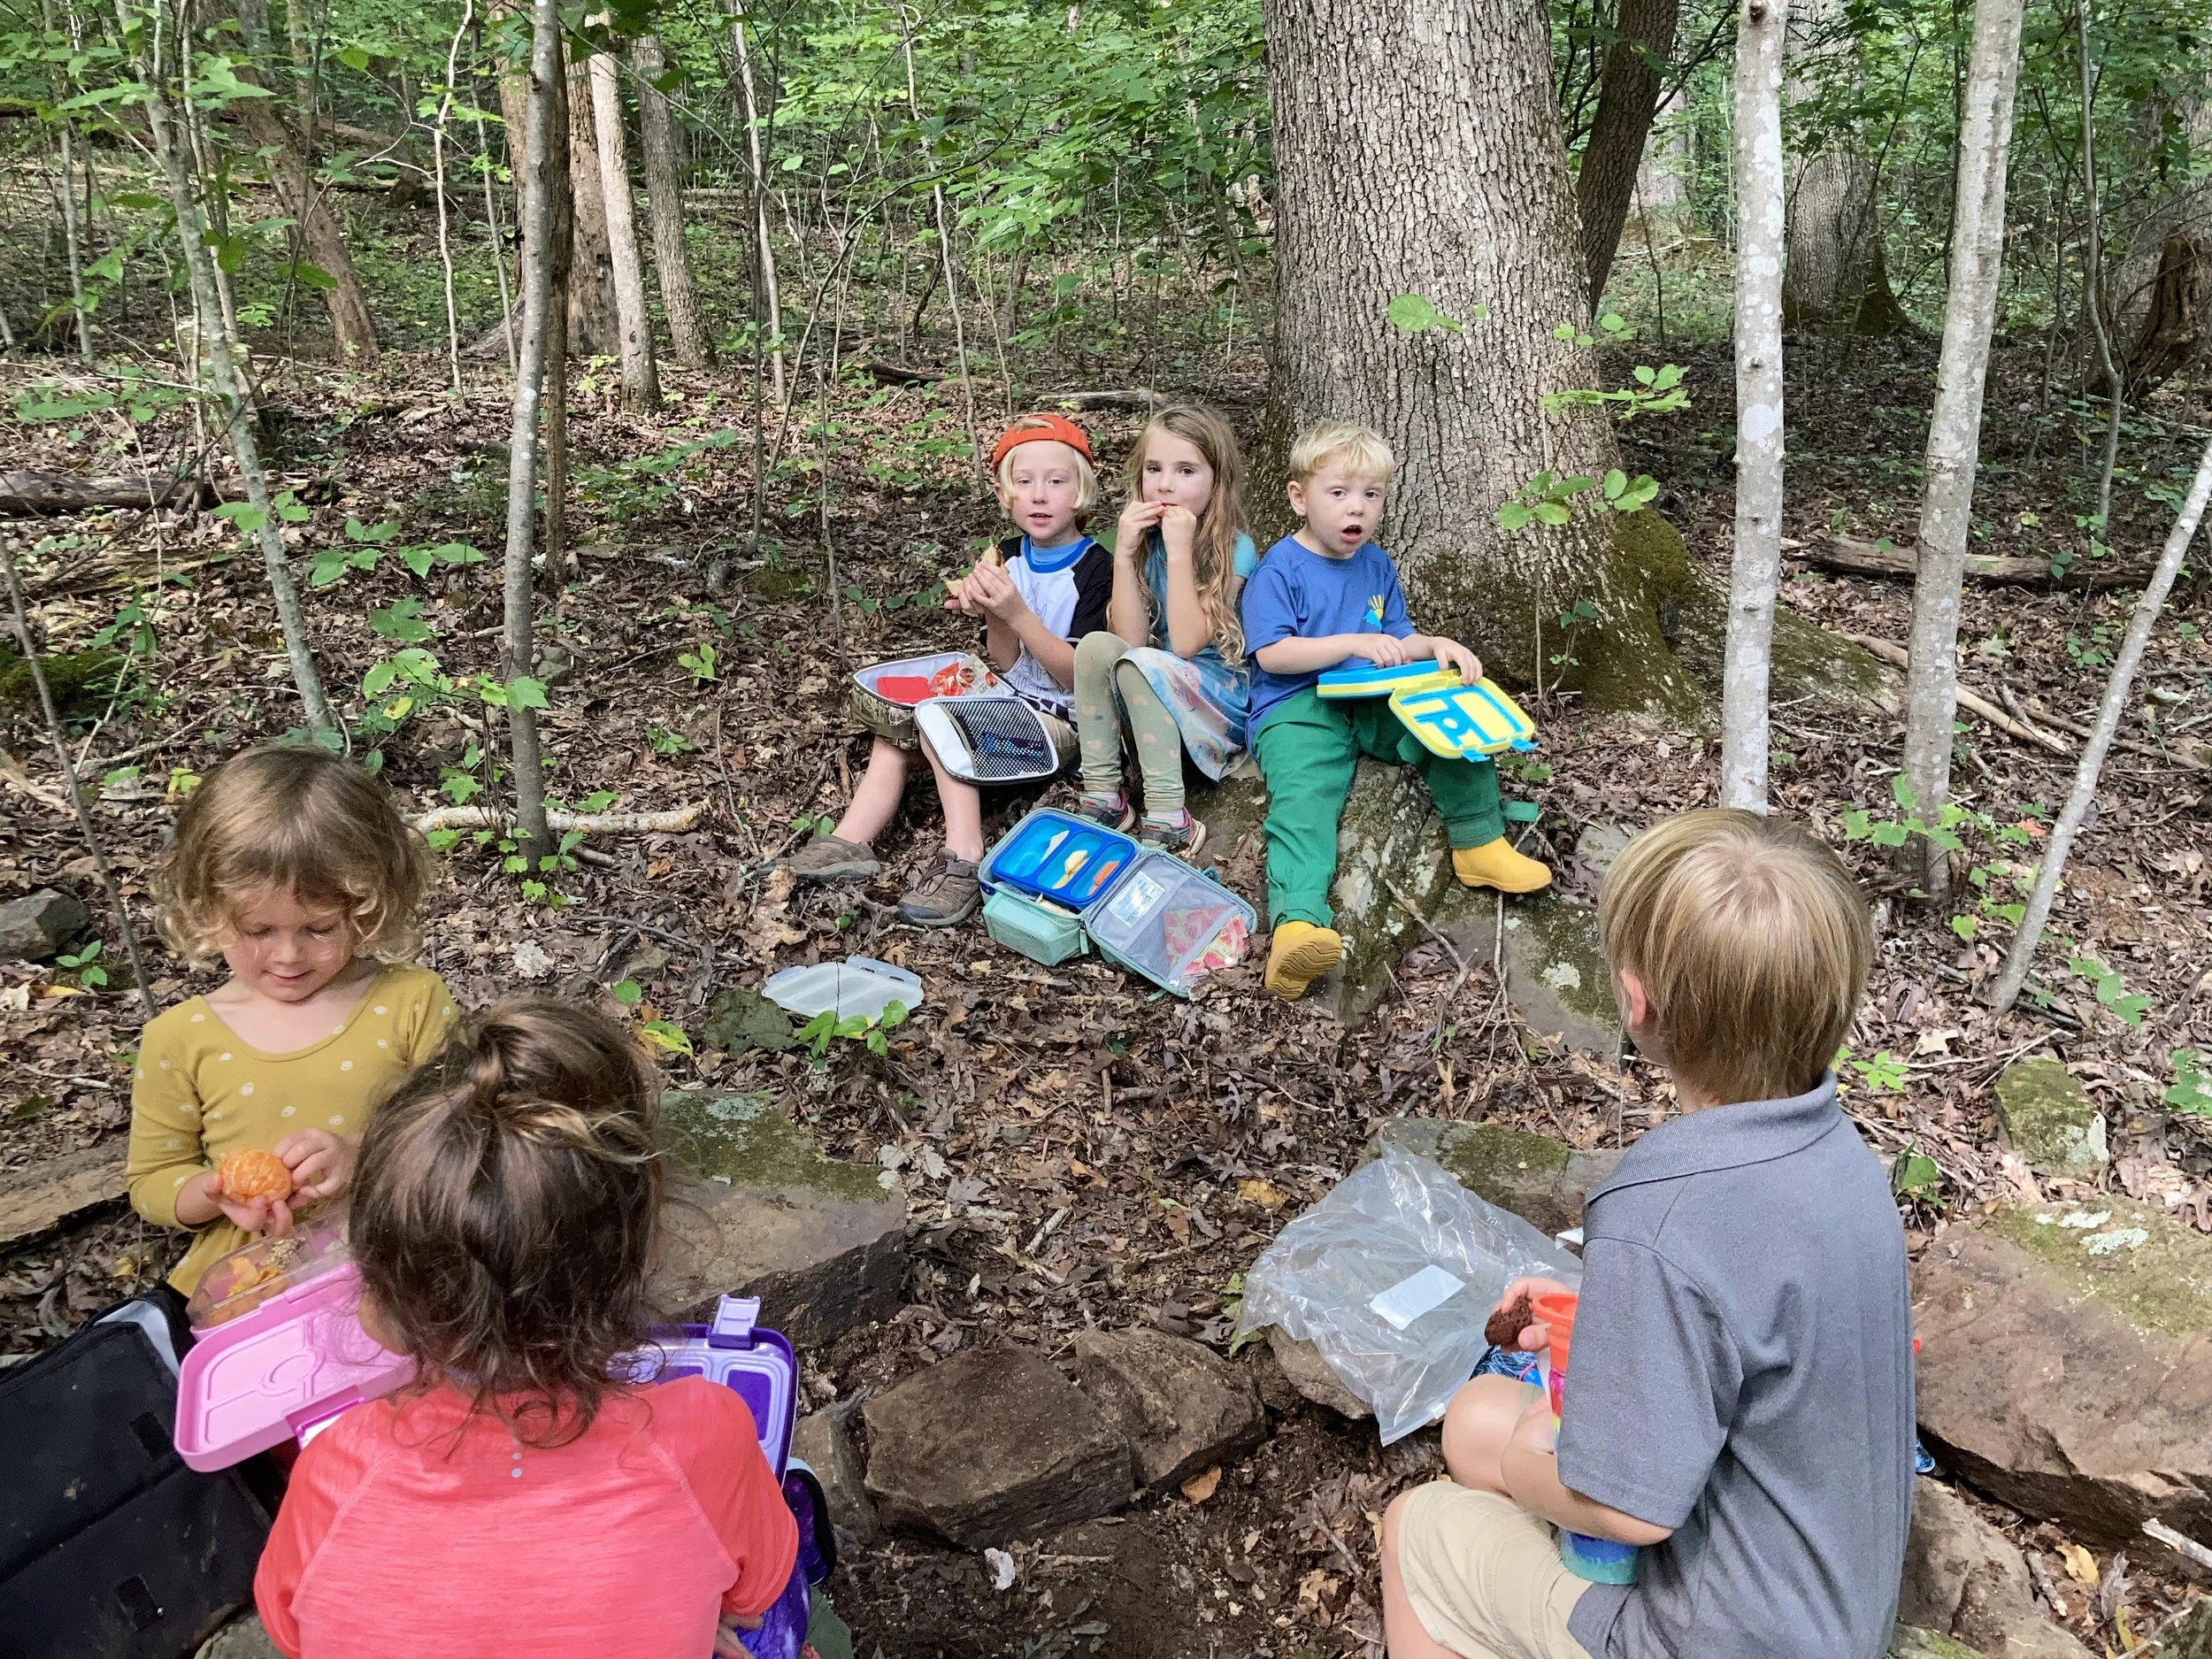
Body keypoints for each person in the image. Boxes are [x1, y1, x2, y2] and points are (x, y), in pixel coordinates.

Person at [1380, 810, 1913, 1659]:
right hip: (1822, 1596)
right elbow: (1739, 1306)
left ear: (1637, 999)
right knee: (1476, 1416)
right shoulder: (1838, 1155)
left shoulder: (1656, 1217)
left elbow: (1633, 1511)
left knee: (1418, 1526)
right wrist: (1591, 1308)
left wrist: (1527, 1464)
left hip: (1713, 1633)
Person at [254, 998, 799, 1659]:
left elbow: (294, 1633)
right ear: (647, 1228)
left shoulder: (333, 1471)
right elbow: (754, 1592)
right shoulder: (704, 1434)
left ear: (383, 1299)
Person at [127, 744, 454, 1301]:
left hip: (400, 1259)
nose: (287, 957)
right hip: (252, 1281)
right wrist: (212, 1191)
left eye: (319, 929)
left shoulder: (409, 1001)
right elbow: (152, 1182)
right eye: (258, 932)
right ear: (207, 911)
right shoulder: (180, 1038)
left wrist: (362, 1152)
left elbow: (464, 1121)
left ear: (368, 909)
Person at [1241, 419, 1551, 1002]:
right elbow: (1273, 654)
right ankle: (1297, 926)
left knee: (1447, 722)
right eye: (1338, 493)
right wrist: (1351, 645)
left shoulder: (1376, 564)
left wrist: (1435, 646)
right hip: (1297, 705)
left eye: (1371, 495)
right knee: (1304, 801)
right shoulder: (1278, 570)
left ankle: (1480, 843)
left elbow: (1397, 638)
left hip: (1369, 697)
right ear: (1298, 497)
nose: (1355, 508)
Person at [788, 411, 1113, 926]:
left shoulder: (1097, 568)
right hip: (1014, 705)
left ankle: (966, 859)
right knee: (901, 722)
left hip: (1065, 726)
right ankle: (852, 841)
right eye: (1024, 482)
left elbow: (1081, 679)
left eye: (1056, 481)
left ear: (1081, 492)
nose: (1039, 495)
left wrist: (1014, 612)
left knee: (943, 719)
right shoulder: (1007, 556)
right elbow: (1008, 662)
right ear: (1006, 495)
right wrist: (987, 610)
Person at [1069, 403, 1258, 857]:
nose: (1166, 484)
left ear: (1218, 481)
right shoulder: (1147, 543)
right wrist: (1124, 553)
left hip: (1217, 694)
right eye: (1154, 469)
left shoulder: (1236, 548)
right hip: (1154, 677)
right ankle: (1104, 794)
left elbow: (1191, 645)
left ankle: (1171, 816)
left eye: (1186, 470)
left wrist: (1179, 552)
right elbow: (1131, 642)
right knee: (1096, 646)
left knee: (1145, 662)